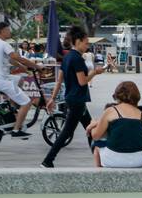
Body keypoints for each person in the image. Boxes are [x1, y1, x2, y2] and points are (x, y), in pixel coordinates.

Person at [42, 26, 100, 168]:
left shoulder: (67, 57)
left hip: (72, 99)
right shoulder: (77, 59)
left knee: (90, 129)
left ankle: (98, 158)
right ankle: (48, 160)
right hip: (77, 100)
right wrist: (95, 72)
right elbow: (83, 81)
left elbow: (59, 81)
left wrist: (52, 99)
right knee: (67, 132)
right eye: (86, 43)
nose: (87, 46)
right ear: (78, 41)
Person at [0, 19, 45, 138]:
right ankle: (16, 130)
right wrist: (36, 66)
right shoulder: (3, 44)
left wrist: (24, 68)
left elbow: (11, 60)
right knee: (27, 102)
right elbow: (17, 57)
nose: (10, 32)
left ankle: (12, 108)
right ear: (2, 31)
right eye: (8, 30)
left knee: (20, 80)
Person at [89, 81, 142, 168]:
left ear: (118, 95)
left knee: (97, 146)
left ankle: (100, 176)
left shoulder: (111, 110)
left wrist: (93, 124)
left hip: (114, 160)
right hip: (138, 159)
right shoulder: (141, 114)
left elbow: (95, 136)